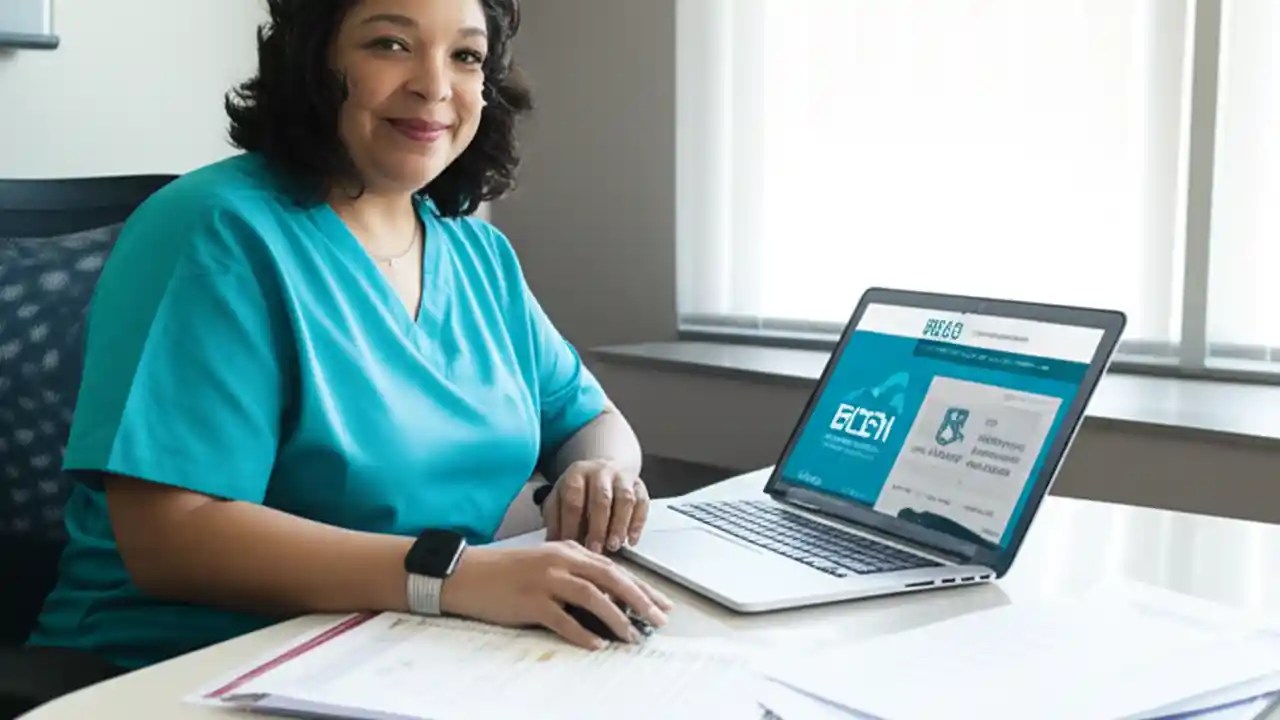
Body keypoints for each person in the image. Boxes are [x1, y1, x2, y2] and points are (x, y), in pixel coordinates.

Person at [27, 0, 671, 671]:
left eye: (466, 55)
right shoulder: (212, 230)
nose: (434, 85)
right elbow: (172, 538)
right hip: (182, 668)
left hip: (413, 650)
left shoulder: (478, 253)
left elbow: (590, 418)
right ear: (315, 60)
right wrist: (456, 578)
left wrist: (601, 474)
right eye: (390, 44)